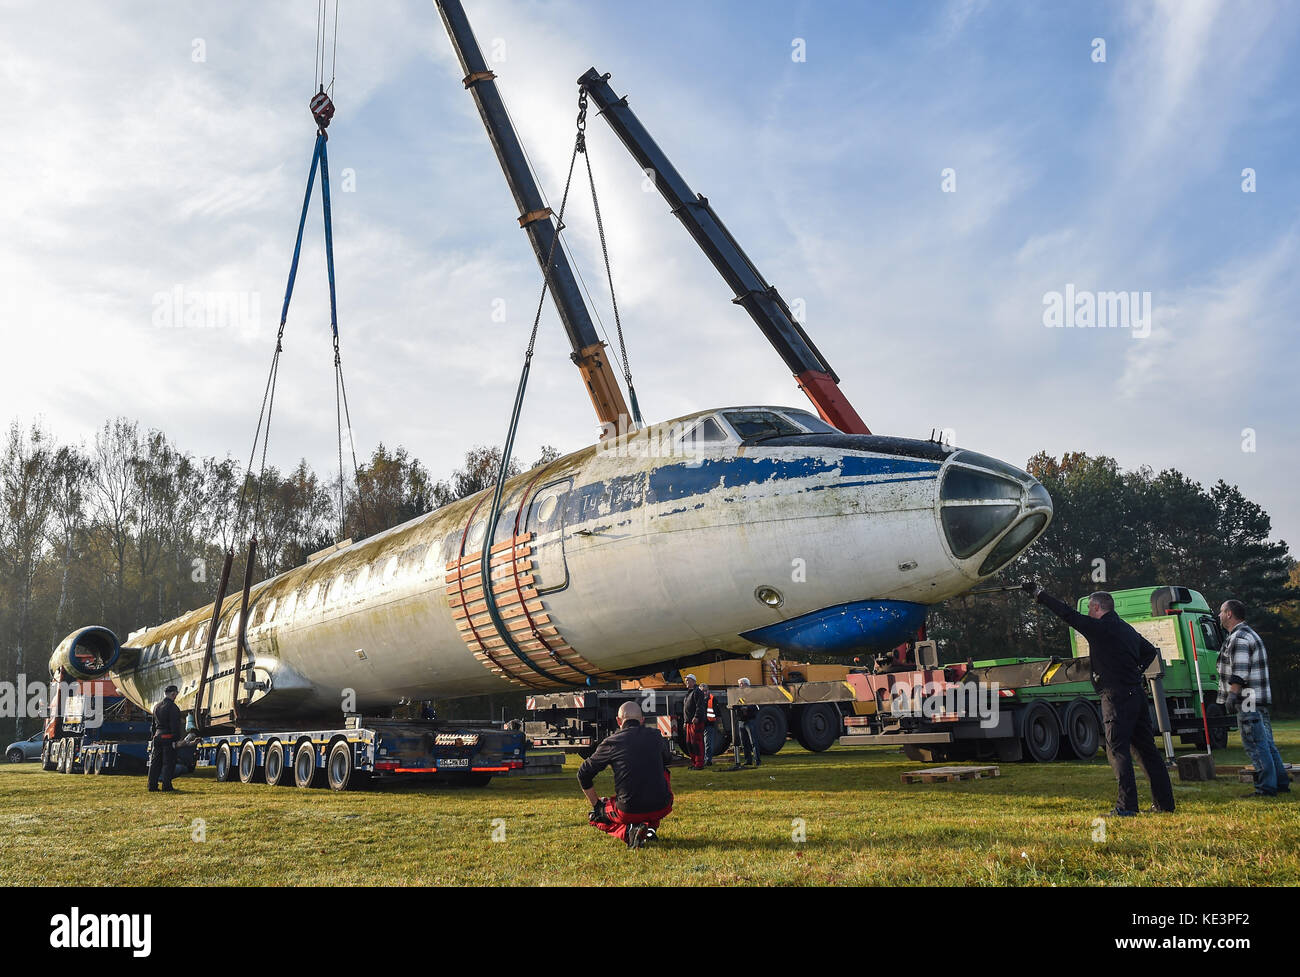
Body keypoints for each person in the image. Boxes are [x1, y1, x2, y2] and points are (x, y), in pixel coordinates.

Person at [1021, 583, 1175, 815]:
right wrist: (1137, 671)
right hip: (1136, 695)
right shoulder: (1126, 629)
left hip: (1115, 696)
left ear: (1095, 607)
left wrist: (1040, 595)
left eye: (1090, 609)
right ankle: (1164, 804)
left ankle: (1126, 807)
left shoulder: (1099, 628)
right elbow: (1150, 651)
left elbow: (1067, 614)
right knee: (1147, 751)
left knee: (1117, 750)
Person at [1217, 599, 1290, 798]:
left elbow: (1240, 670)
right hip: (1258, 698)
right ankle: (1281, 782)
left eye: (1222, 612)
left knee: (1255, 744)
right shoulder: (1248, 633)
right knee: (1267, 743)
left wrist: (1232, 694)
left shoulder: (1239, 637)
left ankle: (1266, 788)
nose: (1219, 615)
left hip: (1247, 699)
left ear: (1230, 614)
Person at [578, 702, 675, 849]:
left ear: (618, 721)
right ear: (642, 720)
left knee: (595, 817)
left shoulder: (612, 742)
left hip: (628, 809)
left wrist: (597, 805)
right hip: (662, 806)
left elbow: (583, 773)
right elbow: (667, 759)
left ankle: (628, 832)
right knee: (663, 772)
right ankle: (649, 830)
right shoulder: (656, 736)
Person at [147, 685, 183, 792]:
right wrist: (176, 739)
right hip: (168, 737)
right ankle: (166, 786)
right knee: (168, 763)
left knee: (155, 763)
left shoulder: (156, 707)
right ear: (173, 694)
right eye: (176, 694)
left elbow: (153, 725)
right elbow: (175, 725)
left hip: (157, 737)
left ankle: (152, 785)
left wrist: (153, 736)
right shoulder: (173, 708)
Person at [729, 677, 761, 769]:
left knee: (753, 741)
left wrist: (747, 709)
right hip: (741, 721)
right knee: (744, 742)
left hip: (750, 720)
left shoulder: (753, 694)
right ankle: (748, 760)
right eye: (740, 684)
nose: (740, 685)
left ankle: (757, 760)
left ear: (747, 684)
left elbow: (757, 707)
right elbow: (734, 705)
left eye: (742, 684)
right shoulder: (738, 695)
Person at [681, 674, 707, 770]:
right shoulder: (689, 693)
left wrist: (696, 716)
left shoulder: (697, 692)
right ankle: (694, 762)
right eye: (686, 680)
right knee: (689, 743)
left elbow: (699, 706)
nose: (686, 682)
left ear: (693, 681)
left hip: (696, 722)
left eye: (688, 680)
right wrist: (685, 721)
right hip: (689, 722)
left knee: (697, 742)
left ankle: (699, 763)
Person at [701, 683, 718, 766]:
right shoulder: (698, 699)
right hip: (700, 725)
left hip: (709, 724)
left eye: (706, 691)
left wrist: (719, 725)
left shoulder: (712, 699)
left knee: (708, 744)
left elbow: (718, 713)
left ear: (708, 690)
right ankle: (703, 760)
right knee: (702, 744)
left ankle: (708, 760)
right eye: (702, 691)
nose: (704, 693)